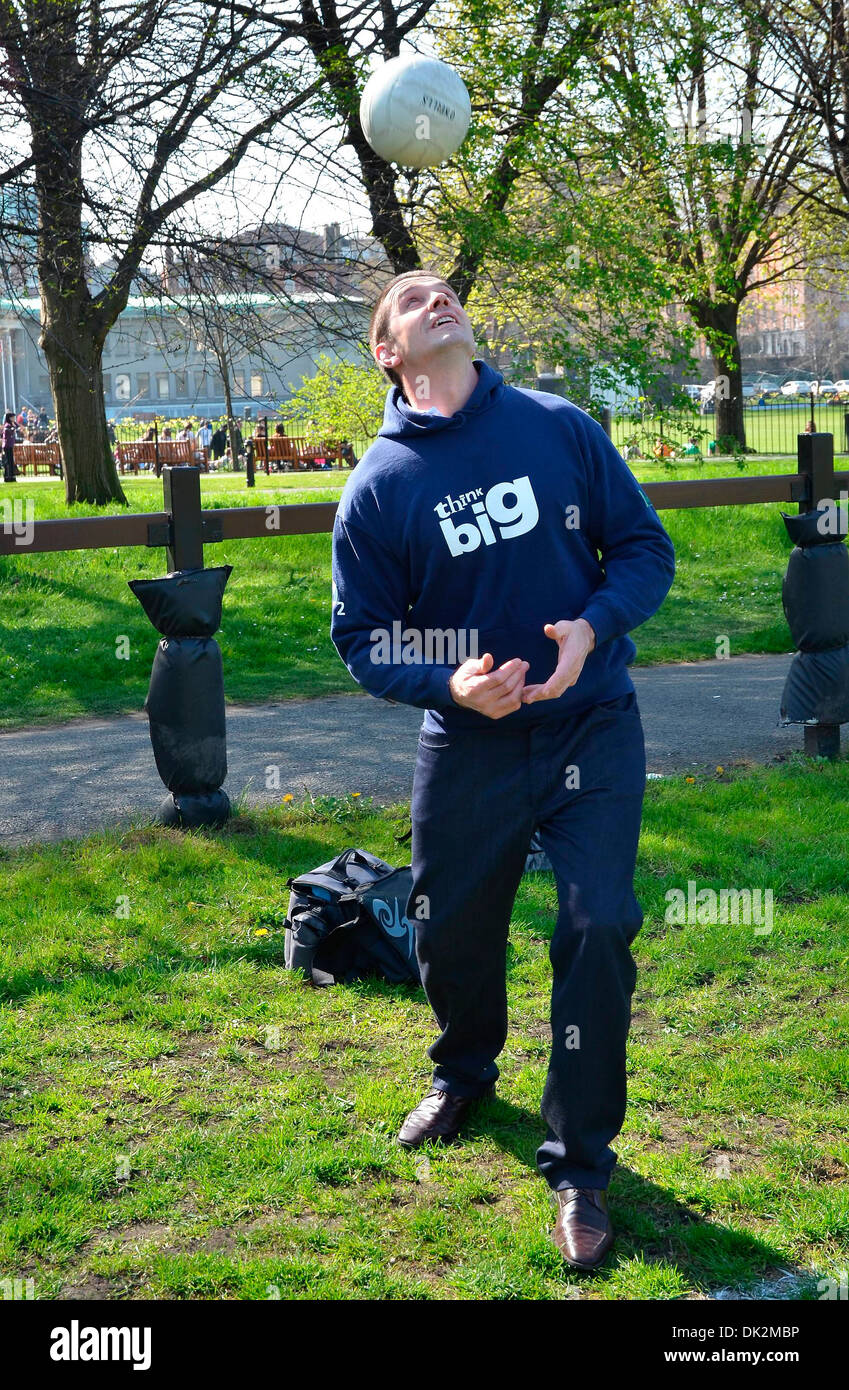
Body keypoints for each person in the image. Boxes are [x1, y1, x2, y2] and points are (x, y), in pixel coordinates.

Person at [330, 271, 675, 1271]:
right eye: (409, 300)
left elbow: (645, 551)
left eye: (444, 290)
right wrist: (449, 681)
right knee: (449, 924)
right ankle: (464, 1066)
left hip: (592, 727)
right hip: (470, 742)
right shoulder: (380, 486)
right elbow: (360, 639)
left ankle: (581, 1169)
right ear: (388, 353)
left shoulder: (557, 426)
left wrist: (594, 624)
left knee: (598, 921)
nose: (436, 297)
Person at [3, 410, 17, 481]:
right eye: (12, 417)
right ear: (9, 418)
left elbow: (16, 427)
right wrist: (13, 428)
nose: (14, 419)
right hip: (7, 445)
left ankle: (11, 476)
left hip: (10, 445)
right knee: (8, 461)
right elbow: (7, 430)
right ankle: (8, 476)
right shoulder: (7, 425)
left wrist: (14, 426)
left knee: (11, 461)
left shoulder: (12, 424)